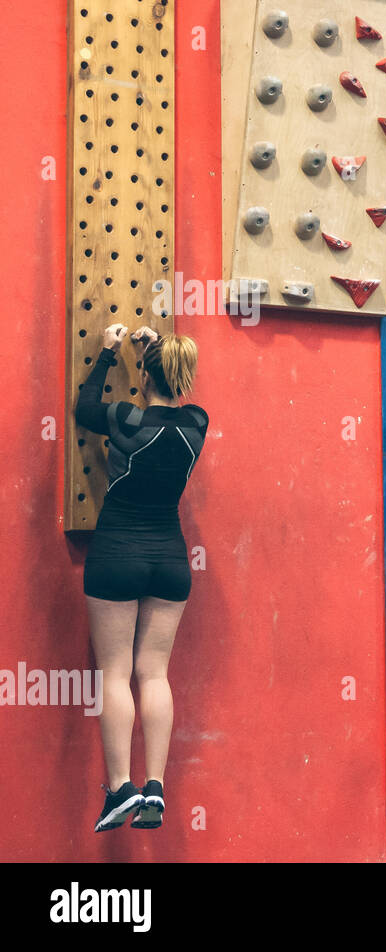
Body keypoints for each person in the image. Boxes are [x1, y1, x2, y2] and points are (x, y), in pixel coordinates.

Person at [76, 323, 207, 833]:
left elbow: (86, 410)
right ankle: (155, 785)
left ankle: (119, 789)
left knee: (114, 673)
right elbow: (173, 400)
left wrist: (109, 351)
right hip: (170, 562)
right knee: (153, 674)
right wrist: (153, 351)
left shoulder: (128, 420)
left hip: (117, 552)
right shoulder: (197, 422)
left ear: (144, 378)